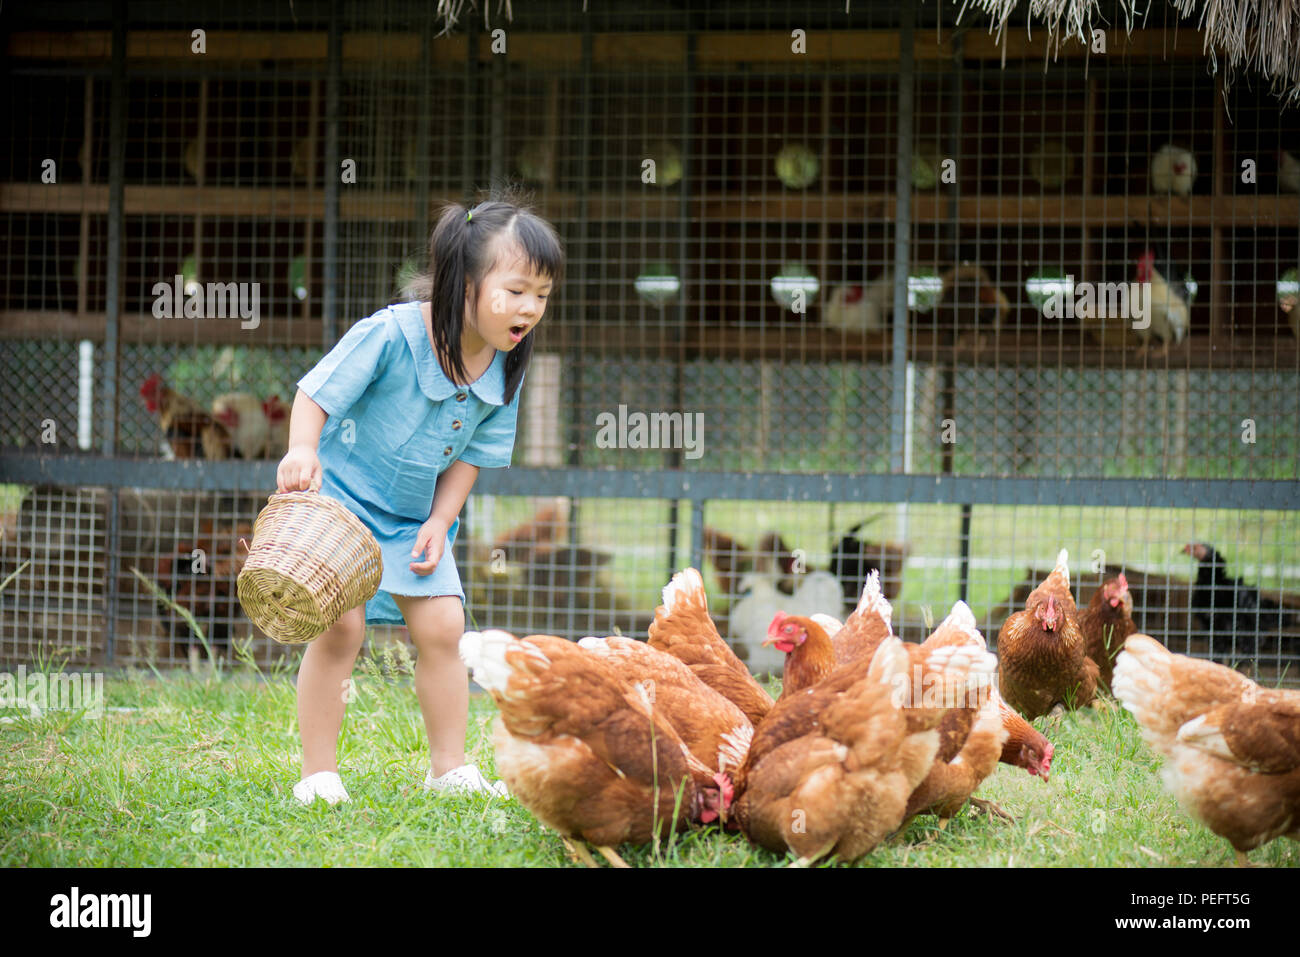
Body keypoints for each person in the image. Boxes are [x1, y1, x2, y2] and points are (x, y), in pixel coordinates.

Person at [276, 194, 564, 804]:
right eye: (516, 291)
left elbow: (472, 456)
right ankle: (318, 776)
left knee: (443, 626)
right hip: (342, 507)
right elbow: (317, 393)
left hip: (412, 516)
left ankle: (449, 769)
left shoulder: (503, 365)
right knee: (341, 628)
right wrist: (303, 449)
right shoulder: (390, 334)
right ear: (464, 282)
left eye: (541, 294)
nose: (530, 308)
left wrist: (441, 517)